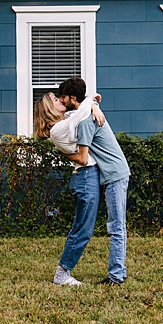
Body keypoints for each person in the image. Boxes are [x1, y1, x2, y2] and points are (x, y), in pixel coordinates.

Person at [57, 76, 131, 286]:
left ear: (73, 98)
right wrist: (94, 103)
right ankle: (119, 272)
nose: (61, 101)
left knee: (116, 226)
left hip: (114, 174)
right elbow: (88, 101)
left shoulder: (86, 122)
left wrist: (63, 154)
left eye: (64, 98)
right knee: (116, 225)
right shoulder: (86, 111)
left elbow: (81, 157)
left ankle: (116, 277)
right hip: (111, 173)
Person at [33, 91, 105, 286]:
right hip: (85, 177)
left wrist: (93, 105)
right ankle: (62, 273)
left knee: (84, 227)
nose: (61, 100)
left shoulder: (63, 122)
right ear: (49, 108)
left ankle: (64, 271)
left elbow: (80, 113)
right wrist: (90, 100)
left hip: (88, 175)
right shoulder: (57, 129)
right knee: (82, 228)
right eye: (56, 100)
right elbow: (80, 116)